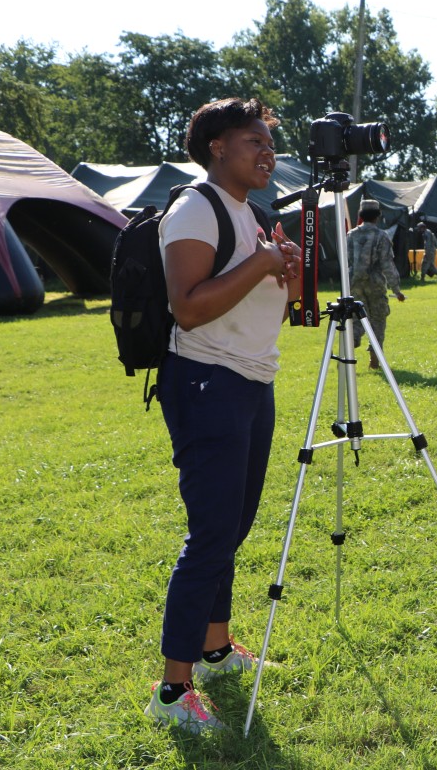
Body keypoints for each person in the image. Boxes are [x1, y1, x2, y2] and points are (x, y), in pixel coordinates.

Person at [146, 97, 302, 732]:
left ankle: (214, 648)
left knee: (232, 525)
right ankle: (171, 692)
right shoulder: (195, 207)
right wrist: (264, 262)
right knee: (210, 534)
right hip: (207, 381)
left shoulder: (253, 215)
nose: (267, 153)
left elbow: (253, 302)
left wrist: (280, 273)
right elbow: (186, 306)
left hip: (249, 381)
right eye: (252, 142)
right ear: (217, 147)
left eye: (270, 144)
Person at [348, 200, 405, 368]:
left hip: (355, 283)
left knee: (356, 319)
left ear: (360, 215)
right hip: (376, 284)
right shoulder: (382, 236)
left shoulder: (351, 235)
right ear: (378, 216)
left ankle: (349, 348)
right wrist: (397, 290)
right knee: (378, 321)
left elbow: (347, 260)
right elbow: (387, 265)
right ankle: (374, 360)